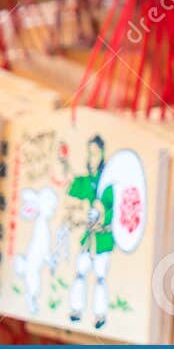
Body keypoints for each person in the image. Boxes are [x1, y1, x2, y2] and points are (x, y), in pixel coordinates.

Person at [66, 135, 114, 329]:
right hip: (88, 238)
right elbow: (72, 190)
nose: (91, 157)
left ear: (101, 154)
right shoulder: (85, 181)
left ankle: (100, 314)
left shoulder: (109, 184)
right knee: (80, 272)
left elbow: (115, 209)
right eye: (89, 153)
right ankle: (76, 309)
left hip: (102, 239)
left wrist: (103, 215)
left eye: (94, 153)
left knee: (101, 277)